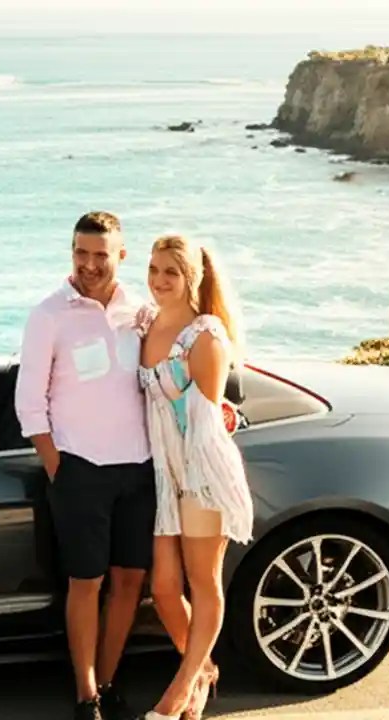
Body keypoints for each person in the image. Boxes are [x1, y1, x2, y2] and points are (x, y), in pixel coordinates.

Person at [15, 211, 156, 720]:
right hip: (81, 471)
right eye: (81, 252)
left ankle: (111, 679)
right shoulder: (49, 314)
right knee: (86, 583)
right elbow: (29, 402)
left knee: (129, 582)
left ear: (121, 255)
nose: (89, 264)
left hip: (139, 471)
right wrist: (59, 469)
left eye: (101, 254)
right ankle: (86, 694)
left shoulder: (140, 311)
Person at [134, 234, 254, 720]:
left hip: (202, 472)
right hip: (167, 475)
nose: (160, 281)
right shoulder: (145, 323)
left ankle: (177, 696)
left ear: (191, 280)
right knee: (163, 588)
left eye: (171, 273)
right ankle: (201, 668)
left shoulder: (205, 336)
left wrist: (197, 482)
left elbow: (207, 416)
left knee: (203, 583)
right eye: (155, 269)